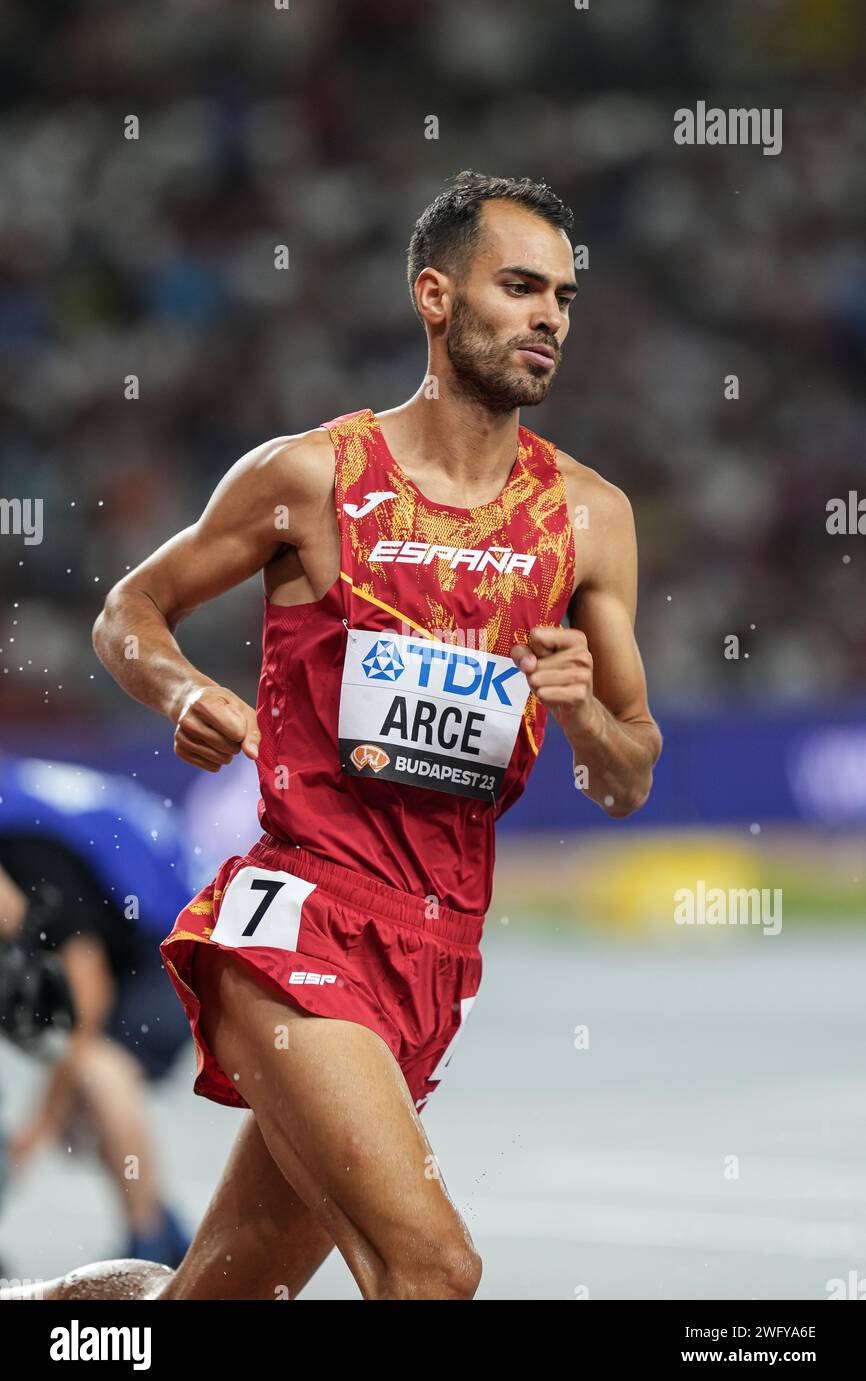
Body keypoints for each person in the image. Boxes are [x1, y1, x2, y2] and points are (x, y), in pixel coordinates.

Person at [22, 169, 662, 1301]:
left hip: (434, 956)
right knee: (432, 1269)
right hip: (295, 918)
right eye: (518, 287)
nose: (547, 317)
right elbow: (130, 608)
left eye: (562, 296)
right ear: (434, 295)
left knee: (221, 1295)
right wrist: (176, 692)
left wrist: (578, 712)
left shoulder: (588, 518)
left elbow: (627, 774)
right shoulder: (309, 476)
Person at [0, 754, 193, 1267]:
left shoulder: (30, 854)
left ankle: (148, 1247)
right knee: (87, 1093)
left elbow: (88, 997)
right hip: (155, 932)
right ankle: (162, 1226)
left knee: (98, 1070)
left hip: (181, 948)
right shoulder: (19, 812)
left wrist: (39, 1123)